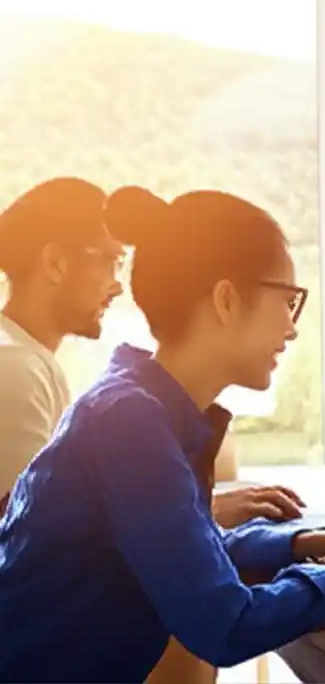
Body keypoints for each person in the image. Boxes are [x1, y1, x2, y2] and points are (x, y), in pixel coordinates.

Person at [0, 186, 325, 681]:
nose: (292, 328)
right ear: (226, 299)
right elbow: (224, 622)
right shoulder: (131, 426)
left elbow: (182, 554)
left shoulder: (136, 406)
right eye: (288, 301)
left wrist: (304, 542)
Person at [0, 177, 303, 526]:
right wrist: (185, 513)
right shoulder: (19, 370)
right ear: (55, 263)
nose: (117, 285)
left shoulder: (32, 362)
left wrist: (185, 506)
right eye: (111, 260)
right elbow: (30, 529)